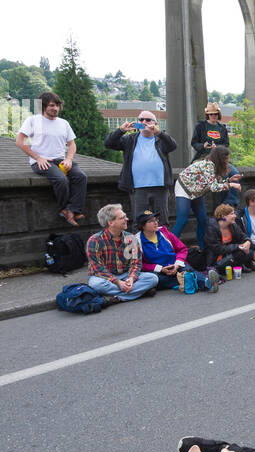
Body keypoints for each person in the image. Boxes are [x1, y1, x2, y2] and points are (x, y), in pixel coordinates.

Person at [16, 90, 87, 227]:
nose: (55, 108)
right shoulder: (32, 120)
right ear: (43, 106)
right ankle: (64, 209)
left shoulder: (64, 123)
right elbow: (19, 141)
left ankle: (73, 209)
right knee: (61, 180)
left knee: (80, 177)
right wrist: (38, 158)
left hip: (60, 160)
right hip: (41, 162)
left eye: (57, 105)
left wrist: (69, 159)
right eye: (51, 105)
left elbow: (72, 144)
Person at [106, 108, 177, 226]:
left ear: (155, 123)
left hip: (160, 187)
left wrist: (159, 133)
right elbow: (109, 143)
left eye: (148, 120)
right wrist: (121, 130)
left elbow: (173, 145)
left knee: (162, 221)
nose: (144, 122)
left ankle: (161, 239)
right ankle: (139, 239)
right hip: (138, 188)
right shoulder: (130, 139)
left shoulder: (160, 140)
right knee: (139, 222)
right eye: (141, 120)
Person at [86, 204, 159, 303]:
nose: (127, 219)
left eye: (125, 216)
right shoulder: (95, 240)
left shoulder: (131, 238)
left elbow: (136, 263)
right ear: (111, 222)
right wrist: (117, 282)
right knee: (96, 285)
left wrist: (131, 278)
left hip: (125, 275)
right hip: (104, 277)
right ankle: (139, 292)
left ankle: (116, 297)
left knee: (153, 278)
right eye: (122, 218)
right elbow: (98, 268)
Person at [173, 146, 241, 250]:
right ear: (220, 158)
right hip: (184, 188)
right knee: (182, 220)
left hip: (196, 191)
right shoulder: (208, 165)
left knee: (203, 219)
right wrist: (231, 184)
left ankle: (202, 248)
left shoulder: (214, 166)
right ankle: (169, 247)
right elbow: (213, 187)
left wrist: (229, 180)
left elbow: (213, 183)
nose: (228, 161)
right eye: (226, 158)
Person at [134, 210, 219, 293]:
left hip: (174, 265)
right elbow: (137, 264)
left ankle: (206, 282)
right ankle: (194, 282)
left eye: (156, 220)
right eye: (151, 221)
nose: (156, 223)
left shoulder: (164, 232)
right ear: (142, 226)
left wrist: (176, 265)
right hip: (157, 271)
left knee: (186, 270)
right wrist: (160, 269)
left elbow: (182, 249)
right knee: (156, 279)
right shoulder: (136, 241)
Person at [204, 204, 255, 276]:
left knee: (250, 251)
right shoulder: (212, 228)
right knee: (241, 252)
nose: (235, 216)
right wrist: (238, 246)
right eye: (232, 214)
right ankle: (216, 269)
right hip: (217, 258)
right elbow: (217, 248)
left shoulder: (232, 225)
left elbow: (243, 236)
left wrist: (247, 242)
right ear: (223, 216)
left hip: (229, 253)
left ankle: (239, 266)